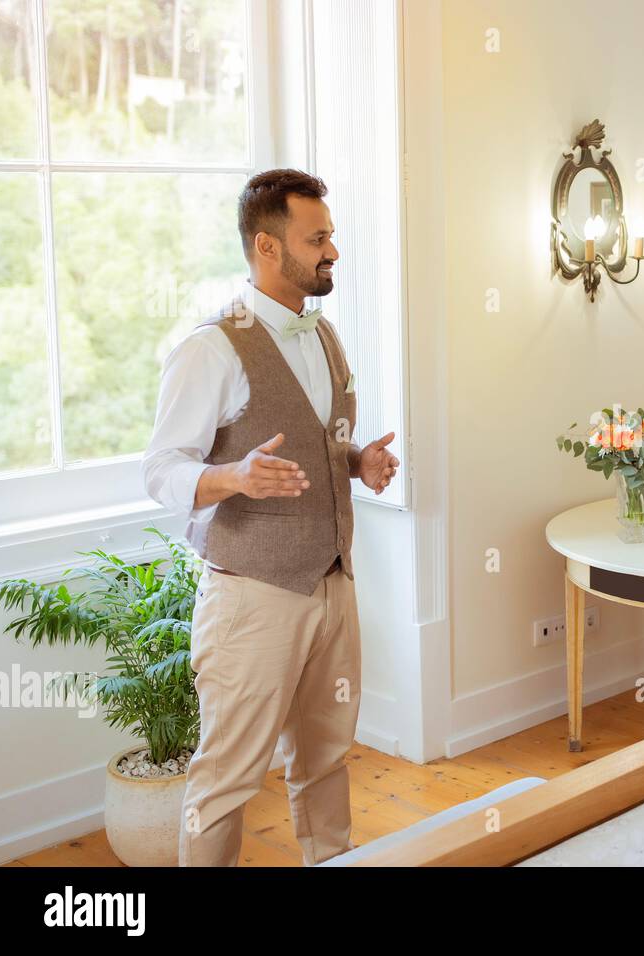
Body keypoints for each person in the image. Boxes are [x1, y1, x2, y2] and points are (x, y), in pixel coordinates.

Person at [142, 168, 400, 866]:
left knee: (325, 760)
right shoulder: (211, 348)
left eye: (332, 237)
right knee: (226, 779)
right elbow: (161, 469)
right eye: (317, 239)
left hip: (332, 583)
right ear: (266, 245)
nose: (332, 252)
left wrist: (354, 463)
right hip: (251, 598)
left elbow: (314, 445)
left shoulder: (325, 337)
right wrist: (233, 477)